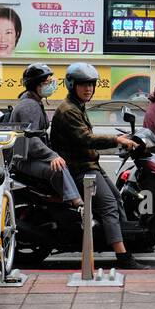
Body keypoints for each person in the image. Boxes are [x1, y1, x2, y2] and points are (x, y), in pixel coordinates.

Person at [51, 62, 145, 269]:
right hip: (79, 169)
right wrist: (117, 140)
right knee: (109, 204)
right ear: (71, 85)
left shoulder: (77, 107)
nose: (88, 89)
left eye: (91, 85)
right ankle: (122, 256)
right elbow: (86, 139)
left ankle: (120, 240)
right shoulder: (68, 111)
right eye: (83, 85)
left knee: (117, 198)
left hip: (89, 165)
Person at [12, 63, 82, 209]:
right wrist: (52, 156)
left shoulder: (33, 101)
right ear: (36, 85)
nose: (51, 85)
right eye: (47, 82)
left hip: (31, 156)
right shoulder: (29, 106)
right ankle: (75, 202)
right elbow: (31, 140)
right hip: (25, 159)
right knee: (58, 168)